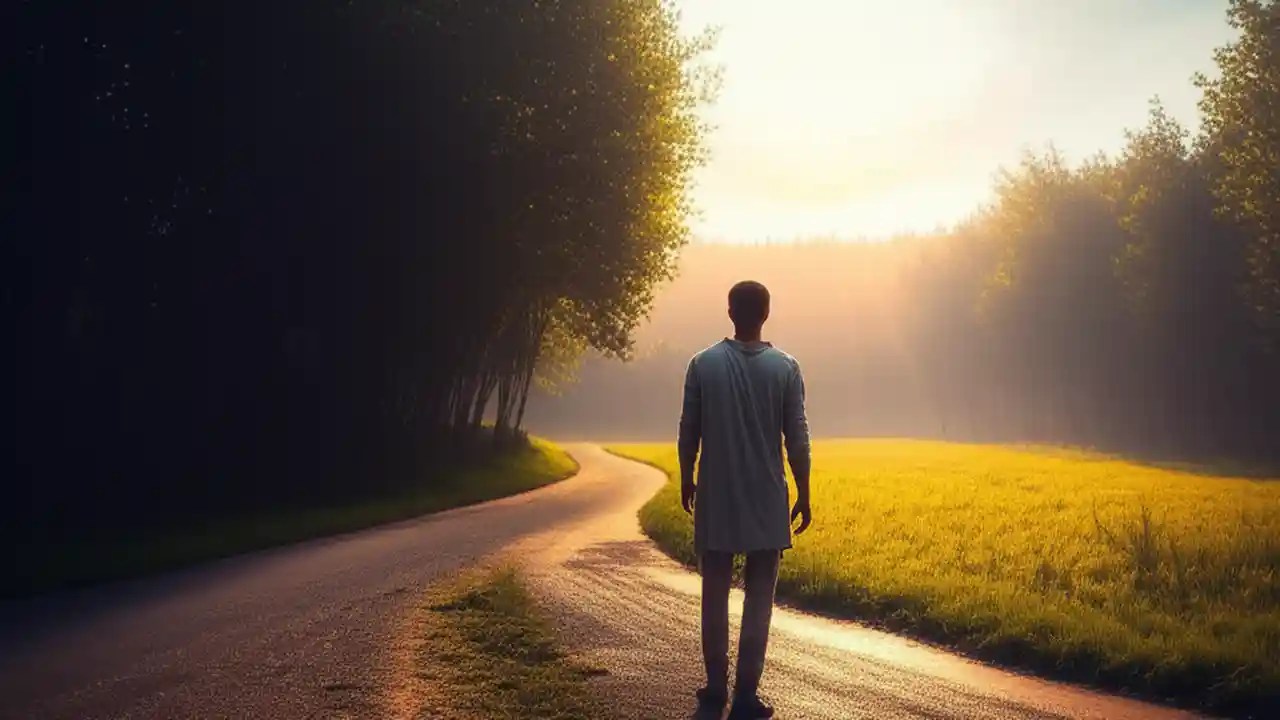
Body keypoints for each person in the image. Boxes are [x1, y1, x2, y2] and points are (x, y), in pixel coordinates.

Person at [678, 280, 812, 719]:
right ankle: (747, 695)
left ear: (729, 311)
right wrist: (805, 491)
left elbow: (688, 429)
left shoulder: (702, 364)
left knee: (713, 593)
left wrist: (686, 477)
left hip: (717, 495)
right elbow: (797, 438)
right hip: (768, 498)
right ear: (767, 313)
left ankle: (715, 686)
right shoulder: (786, 368)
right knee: (759, 598)